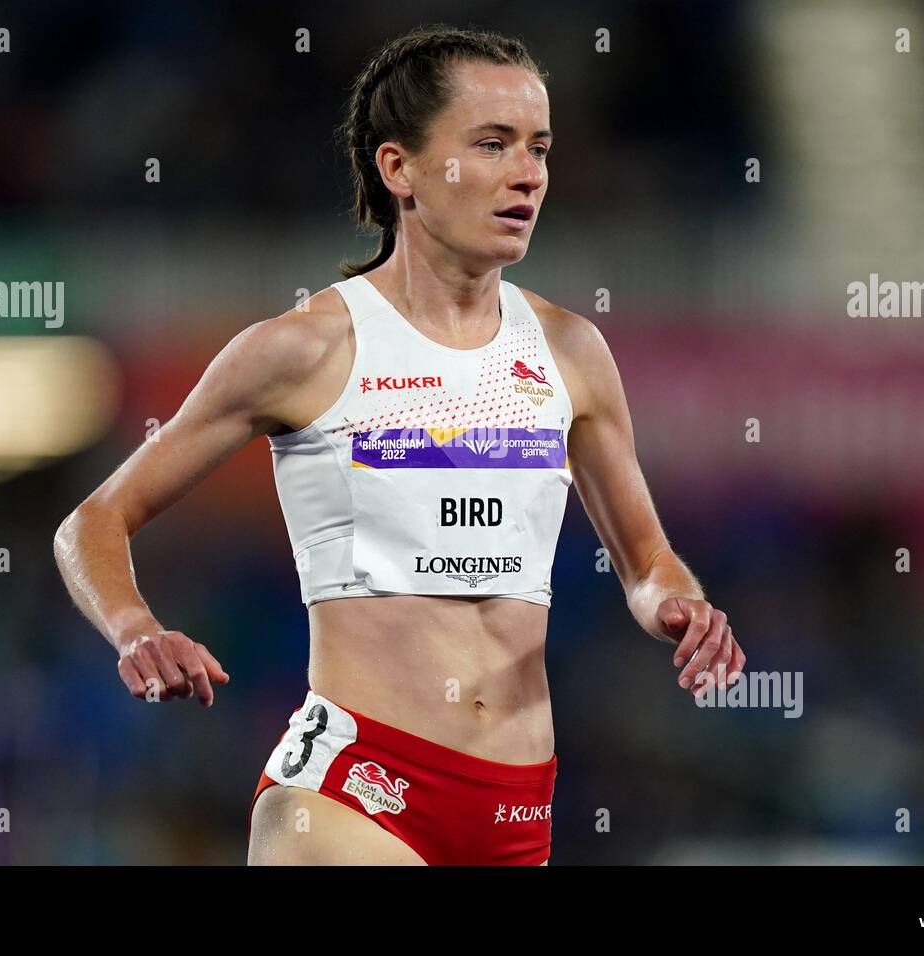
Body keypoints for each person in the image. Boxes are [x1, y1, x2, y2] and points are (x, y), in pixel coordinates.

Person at [53, 24, 744, 866]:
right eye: (491, 145)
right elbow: (93, 521)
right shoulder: (304, 350)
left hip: (517, 811)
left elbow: (646, 564)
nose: (527, 173)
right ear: (399, 169)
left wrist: (679, 607)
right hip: (352, 791)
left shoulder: (570, 354)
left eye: (539, 147)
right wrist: (136, 630)